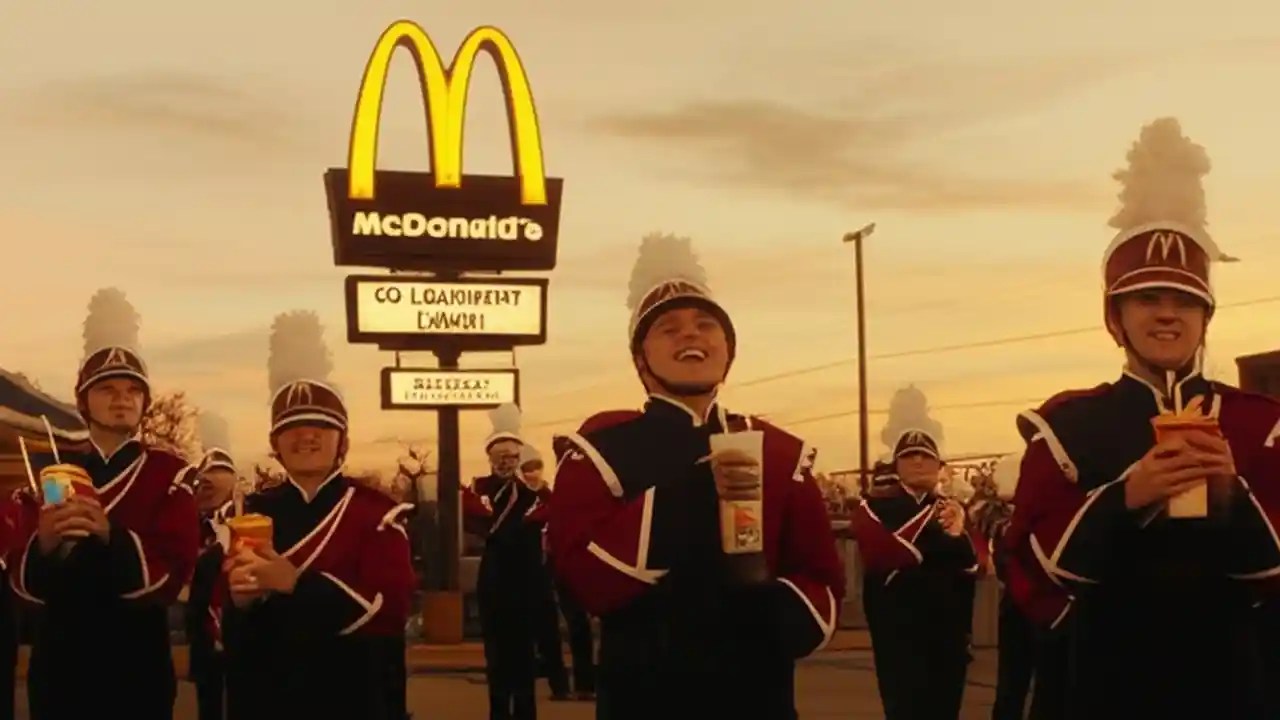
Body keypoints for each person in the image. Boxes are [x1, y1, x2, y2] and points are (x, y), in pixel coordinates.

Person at [547, 232, 845, 719]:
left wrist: (776, 610)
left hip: (758, 696)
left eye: (707, 325)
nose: (691, 334)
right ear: (641, 362)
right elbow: (583, 578)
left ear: (729, 350)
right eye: (668, 328)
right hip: (645, 696)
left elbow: (822, 575)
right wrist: (691, 495)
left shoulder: (780, 451)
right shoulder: (600, 449)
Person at [1002, 207, 1280, 715]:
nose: (1168, 314)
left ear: (1205, 318)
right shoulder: (1068, 424)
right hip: (1106, 680)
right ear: (1115, 317)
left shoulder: (1261, 424)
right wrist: (1126, 497)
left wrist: (1230, 497)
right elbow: (1032, 564)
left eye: (1186, 301)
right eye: (1148, 298)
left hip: (1237, 678)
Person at [5, 344, 201, 719]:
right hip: (58, 668)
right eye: (107, 389)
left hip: (137, 668)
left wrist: (110, 535)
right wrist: (44, 546)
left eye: (133, 390)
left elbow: (171, 576)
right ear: (83, 402)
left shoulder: (169, 474)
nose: (122, 400)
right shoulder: (47, 469)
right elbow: (20, 586)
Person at [220, 377, 415, 720]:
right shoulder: (247, 513)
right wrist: (240, 605)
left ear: (344, 441)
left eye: (322, 426)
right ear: (274, 443)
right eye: (292, 427)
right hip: (268, 699)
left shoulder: (377, 513)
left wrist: (294, 582)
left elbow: (389, 610)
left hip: (353, 699)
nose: (306, 435)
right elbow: (221, 627)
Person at [851, 429, 979, 719]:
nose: (918, 461)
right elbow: (886, 554)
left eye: (927, 456)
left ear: (939, 466)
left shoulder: (953, 509)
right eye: (909, 456)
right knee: (905, 707)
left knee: (945, 707)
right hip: (899, 629)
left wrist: (957, 537)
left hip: (948, 631)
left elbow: (972, 565)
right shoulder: (874, 507)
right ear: (896, 465)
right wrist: (944, 538)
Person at [462, 404, 552, 720]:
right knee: (496, 657)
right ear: (489, 457)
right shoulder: (478, 489)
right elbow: (475, 521)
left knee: (524, 656)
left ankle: (525, 713)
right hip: (494, 581)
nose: (506, 462)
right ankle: (498, 712)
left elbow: (546, 516)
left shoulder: (534, 493)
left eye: (512, 456)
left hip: (526, 581)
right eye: (500, 456)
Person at [184, 448, 237, 720]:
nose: (204, 490)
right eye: (202, 484)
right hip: (207, 640)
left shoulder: (241, 521)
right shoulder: (191, 524)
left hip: (235, 637)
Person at [547, 435, 598, 702]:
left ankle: (586, 683)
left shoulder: (577, 486)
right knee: (573, 626)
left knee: (579, 625)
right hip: (560, 565)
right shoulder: (555, 489)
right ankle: (576, 684)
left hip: (575, 562)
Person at [520, 445, 573, 701]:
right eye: (526, 469)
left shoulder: (548, 496)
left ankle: (559, 685)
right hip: (520, 572)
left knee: (548, 632)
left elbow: (555, 510)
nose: (532, 473)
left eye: (535, 468)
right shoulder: (516, 497)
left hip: (543, 574)